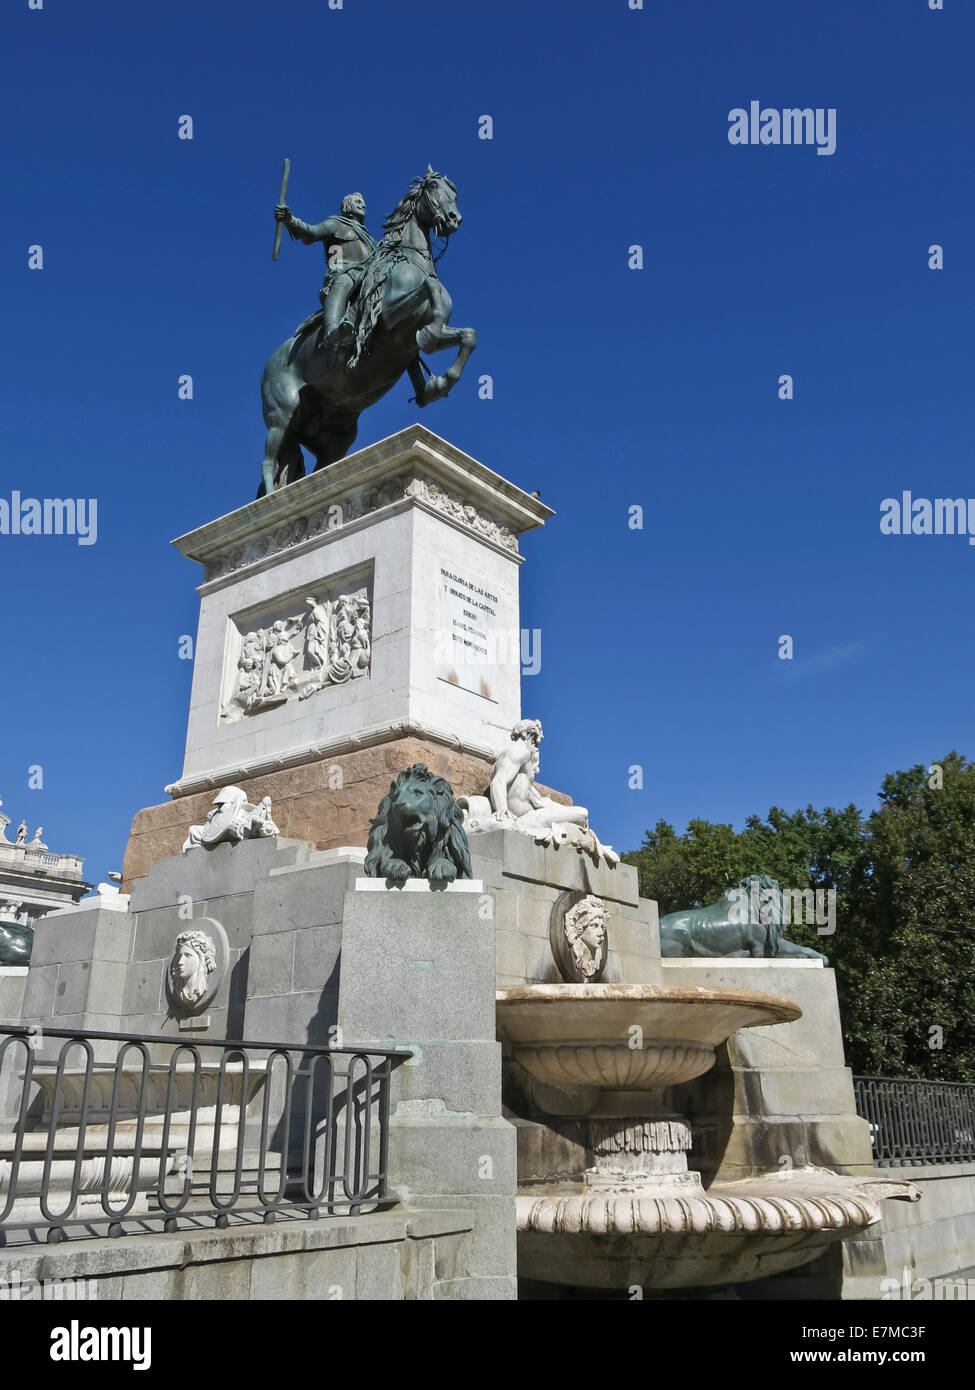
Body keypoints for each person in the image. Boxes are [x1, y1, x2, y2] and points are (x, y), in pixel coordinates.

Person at [273, 192, 378, 356]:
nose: (363, 205)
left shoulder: (370, 239)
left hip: (368, 276)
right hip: (345, 271)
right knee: (344, 282)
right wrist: (290, 220)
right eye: (358, 202)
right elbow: (311, 232)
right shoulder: (336, 223)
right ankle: (332, 331)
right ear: (348, 205)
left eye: (363, 203)